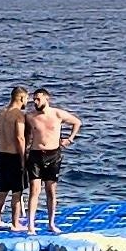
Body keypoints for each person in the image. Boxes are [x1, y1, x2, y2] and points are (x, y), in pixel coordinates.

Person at [25, 86, 82, 231]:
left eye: (38, 99)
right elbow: (25, 135)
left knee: (51, 190)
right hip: (36, 154)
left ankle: (51, 223)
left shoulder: (57, 114)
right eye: (34, 100)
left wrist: (69, 139)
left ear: (46, 98)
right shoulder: (30, 116)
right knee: (34, 190)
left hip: (53, 155)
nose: (35, 102)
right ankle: (31, 225)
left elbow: (77, 122)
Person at [0, 85, 32, 227]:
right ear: (21, 98)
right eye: (27, 98)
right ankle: (15, 224)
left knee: (2, 190)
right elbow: (20, 138)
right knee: (17, 192)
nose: (27, 101)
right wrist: (23, 158)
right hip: (14, 156)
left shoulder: (0, 113)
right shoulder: (18, 115)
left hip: (2, 154)